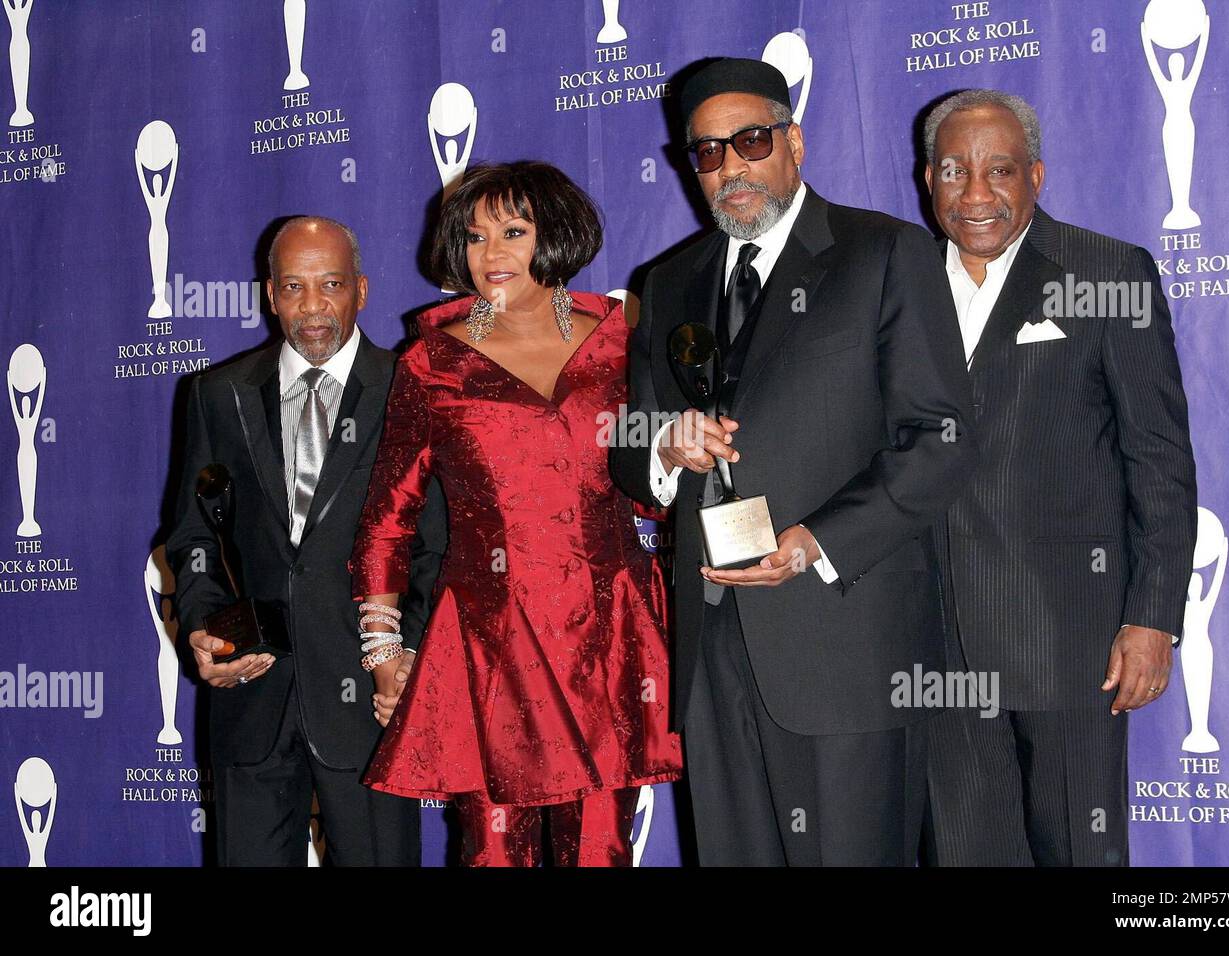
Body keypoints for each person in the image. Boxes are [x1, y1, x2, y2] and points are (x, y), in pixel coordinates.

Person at [609, 58, 976, 866]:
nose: (730, 167)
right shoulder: (668, 282)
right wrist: (664, 449)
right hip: (713, 647)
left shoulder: (883, 252)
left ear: (795, 141)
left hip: (845, 641)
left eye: (749, 140)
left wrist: (818, 541)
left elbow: (941, 438)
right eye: (706, 153)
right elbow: (632, 452)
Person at [350, 161, 681, 867]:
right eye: (473, 237)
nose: (490, 255)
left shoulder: (622, 342)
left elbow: (657, 485)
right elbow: (386, 519)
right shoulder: (431, 362)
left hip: (607, 633)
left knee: (601, 851)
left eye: (513, 232)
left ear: (554, 234)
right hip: (488, 642)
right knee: (492, 854)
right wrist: (384, 652)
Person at [919, 89, 1197, 866]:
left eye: (999, 170)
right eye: (953, 171)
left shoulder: (1106, 271)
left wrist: (1152, 618)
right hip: (932, 645)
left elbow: (1160, 460)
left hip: (1072, 640)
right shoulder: (893, 284)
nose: (976, 194)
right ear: (927, 180)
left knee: (1081, 853)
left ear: (1035, 176)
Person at [166, 216, 447, 865]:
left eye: (331, 285)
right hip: (251, 698)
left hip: (371, 700)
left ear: (362, 290)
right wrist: (206, 625)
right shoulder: (218, 394)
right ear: (270, 294)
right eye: (294, 287)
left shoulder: (413, 393)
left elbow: (436, 548)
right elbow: (193, 539)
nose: (313, 307)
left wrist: (406, 658)